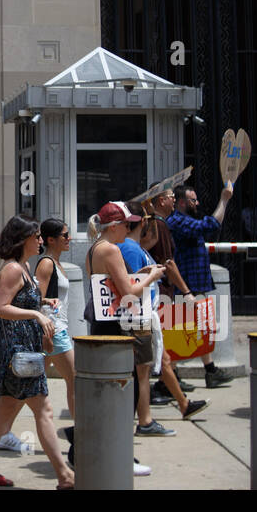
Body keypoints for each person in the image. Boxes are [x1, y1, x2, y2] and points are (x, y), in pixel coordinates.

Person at [0, 216, 74, 489]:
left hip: (23, 348)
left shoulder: (25, 267)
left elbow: (19, 300)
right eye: (36, 236)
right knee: (43, 409)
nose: (41, 240)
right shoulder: (13, 269)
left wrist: (41, 302)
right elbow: (0, 307)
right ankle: (64, 475)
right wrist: (35, 315)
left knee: (4, 410)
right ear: (23, 238)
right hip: (14, 350)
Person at [82, 202, 162, 477]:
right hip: (120, 326)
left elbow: (115, 285)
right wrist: (151, 276)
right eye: (127, 225)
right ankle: (120, 454)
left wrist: (136, 277)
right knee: (123, 392)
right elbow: (129, 292)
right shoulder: (111, 249)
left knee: (110, 390)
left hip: (103, 325)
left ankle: (105, 451)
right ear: (114, 226)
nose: (129, 230)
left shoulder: (94, 249)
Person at [164, 181, 235, 387]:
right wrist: (224, 200)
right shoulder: (176, 221)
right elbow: (209, 225)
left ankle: (209, 370)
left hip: (193, 284)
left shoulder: (182, 219)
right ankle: (173, 376)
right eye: (193, 200)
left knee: (199, 328)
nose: (198, 203)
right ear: (183, 203)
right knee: (180, 330)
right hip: (184, 285)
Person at [139, 217, 208, 423]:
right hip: (140, 313)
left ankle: (181, 403)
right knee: (144, 368)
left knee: (161, 359)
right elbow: (133, 284)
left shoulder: (139, 250)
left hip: (145, 311)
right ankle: (145, 419)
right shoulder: (135, 250)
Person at [32, 218, 75, 419]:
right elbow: (37, 300)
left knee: (31, 383)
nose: (69, 238)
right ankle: (81, 432)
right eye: (65, 235)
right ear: (51, 239)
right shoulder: (47, 264)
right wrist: (46, 333)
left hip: (56, 328)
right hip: (53, 330)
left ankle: (2, 427)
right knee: (75, 378)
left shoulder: (55, 262)